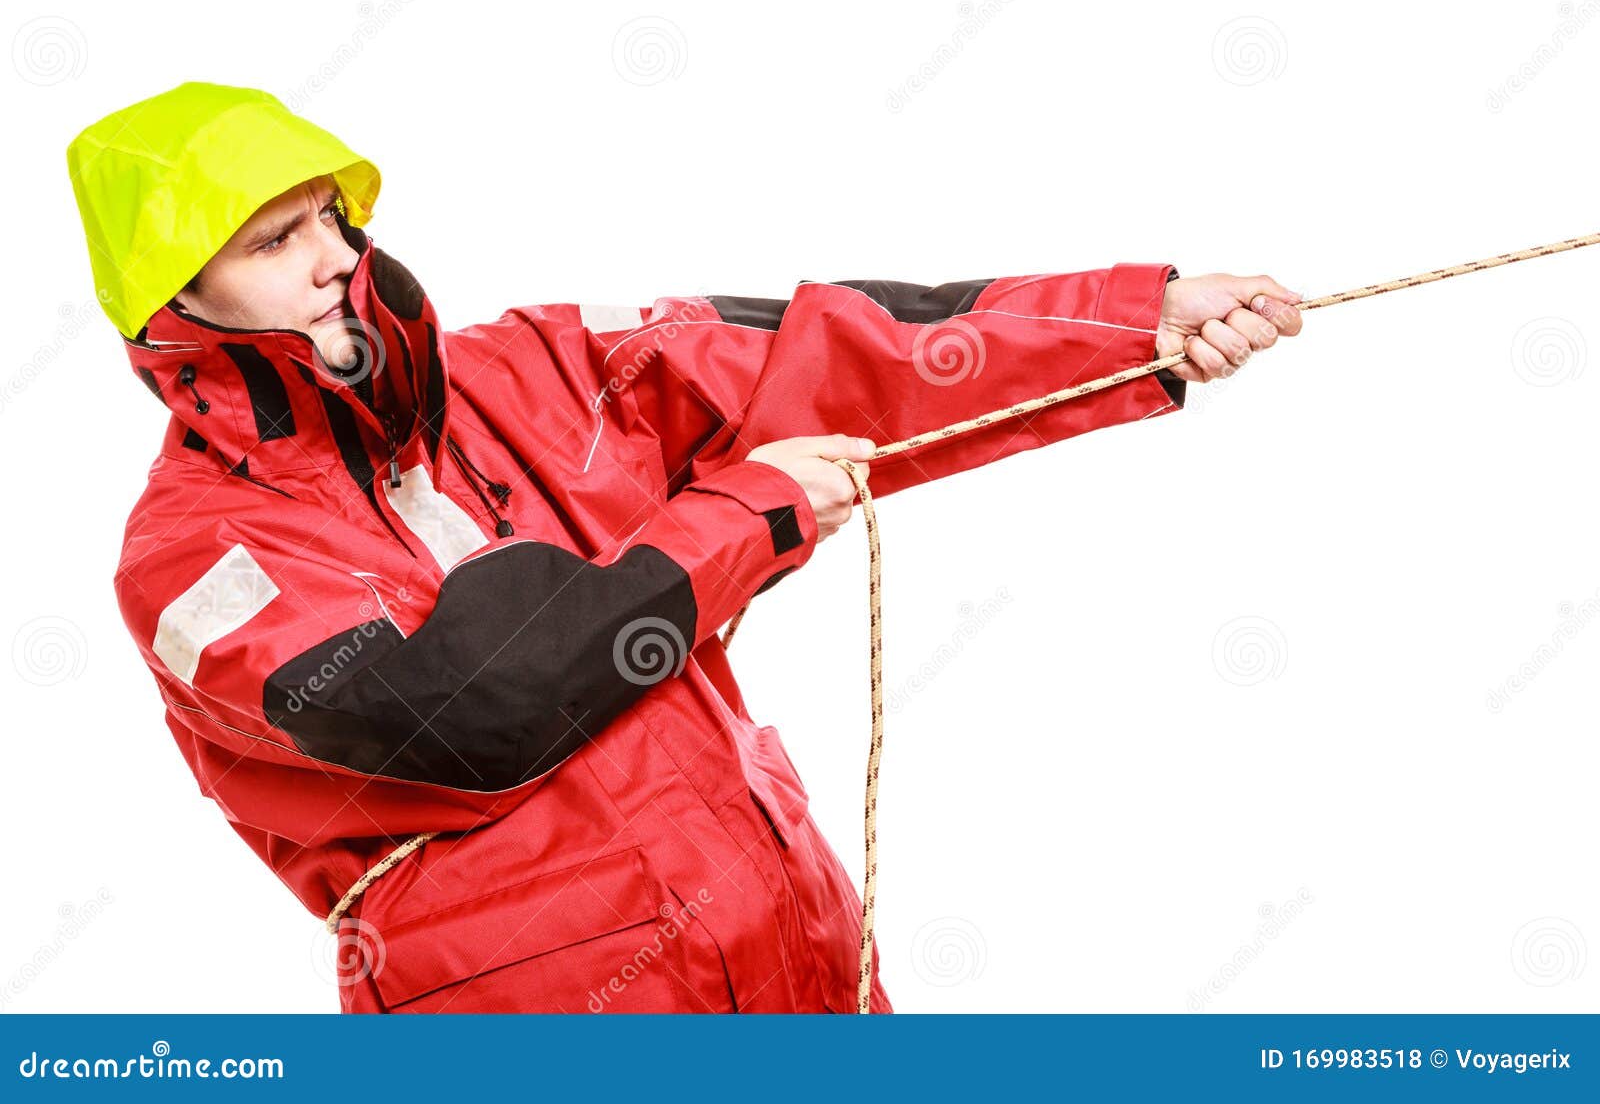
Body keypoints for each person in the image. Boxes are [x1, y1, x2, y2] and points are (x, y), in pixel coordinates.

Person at [67, 81, 1303, 1014]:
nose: (338, 257)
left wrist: (1132, 323)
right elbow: (463, 711)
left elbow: (831, 353)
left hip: (802, 967)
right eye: (273, 241)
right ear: (177, 306)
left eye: (330, 217)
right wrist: (740, 516)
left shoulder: (537, 367)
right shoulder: (192, 562)